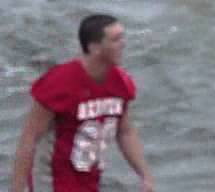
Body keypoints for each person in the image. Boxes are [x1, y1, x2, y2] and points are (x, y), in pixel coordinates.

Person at [10, 14, 155, 192]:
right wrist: (18, 188)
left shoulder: (121, 83)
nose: (123, 44)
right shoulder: (59, 83)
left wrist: (145, 175)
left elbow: (125, 131)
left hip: (90, 179)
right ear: (94, 47)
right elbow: (29, 138)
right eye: (116, 39)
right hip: (52, 181)